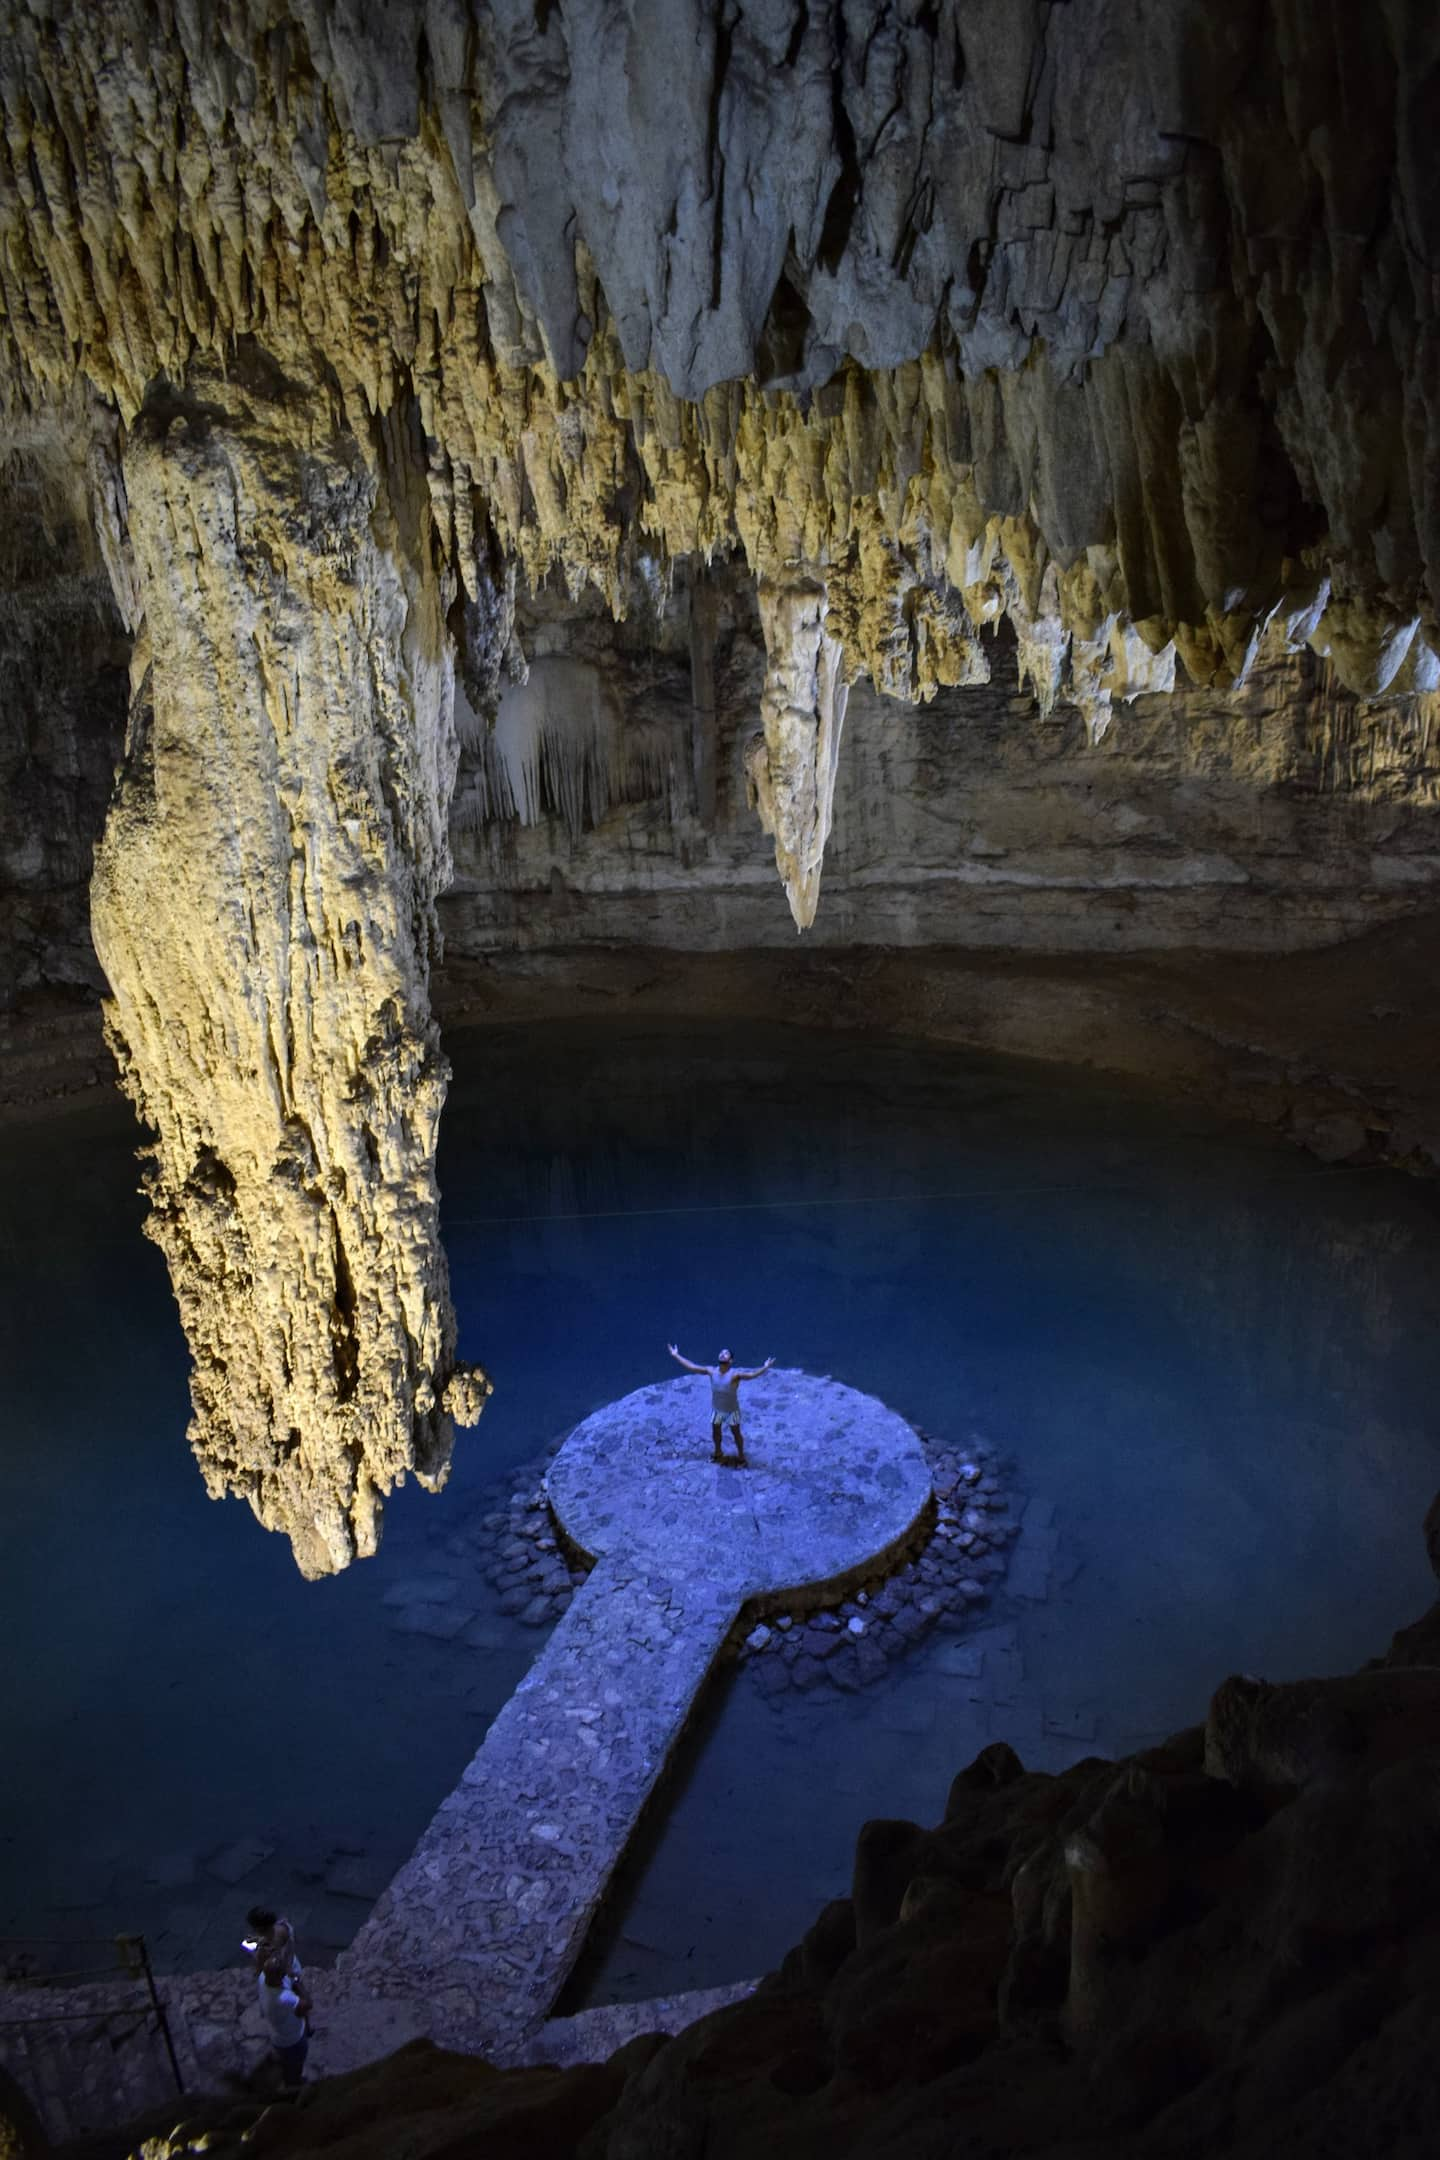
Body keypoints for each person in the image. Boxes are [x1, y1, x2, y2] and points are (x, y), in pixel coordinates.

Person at [667, 1344, 774, 1466]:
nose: (723, 1354)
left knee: (736, 1433)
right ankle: (718, 1453)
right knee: (716, 1432)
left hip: (731, 1411)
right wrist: (676, 1355)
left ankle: (741, 1457)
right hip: (717, 1410)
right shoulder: (711, 1371)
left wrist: (765, 1367)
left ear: (731, 1360)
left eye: (726, 1353)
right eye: (721, 1352)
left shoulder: (735, 1375)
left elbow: (751, 1375)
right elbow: (693, 1367)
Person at [257, 1954, 312, 2089]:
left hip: (277, 2034)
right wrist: (298, 1983)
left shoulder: (262, 1978)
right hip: (292, 2038)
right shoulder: (283, 1997)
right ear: (279, 1977)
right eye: (283, 1973)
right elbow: (307, 2004)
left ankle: (286, 2073)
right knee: (297, 2061)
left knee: (285, 2059)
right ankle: (294, 2083)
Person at [244, 1905, 301, 1977]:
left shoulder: (266, 1949)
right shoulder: (283, 1927)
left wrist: (258, 1973)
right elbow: (269, 1937)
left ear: (259, 1929)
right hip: (293, 1964)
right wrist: (256, 1939)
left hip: (281, 1973)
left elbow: (261, 1965)